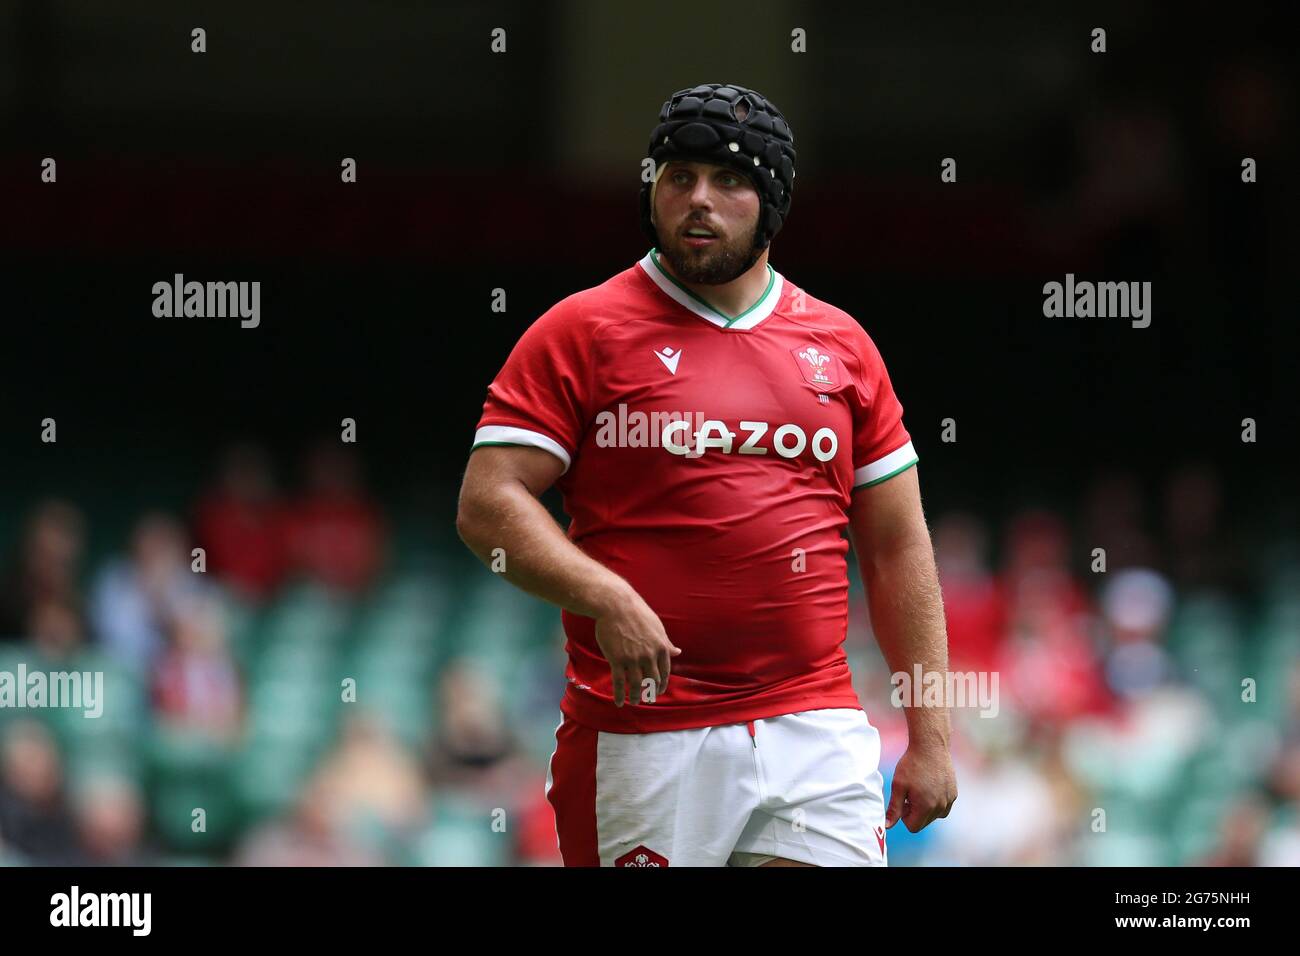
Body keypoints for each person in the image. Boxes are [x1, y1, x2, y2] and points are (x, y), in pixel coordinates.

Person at [456, 83, 956, 866]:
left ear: (772, 201)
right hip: (642, 735)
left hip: (813, 727)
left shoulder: (844, 347)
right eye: (678, 176)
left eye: (730, 180)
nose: (699, 200)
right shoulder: (581, 330)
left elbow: (898, 549)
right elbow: (486, 506)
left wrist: (930, 736)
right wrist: (605, 594)